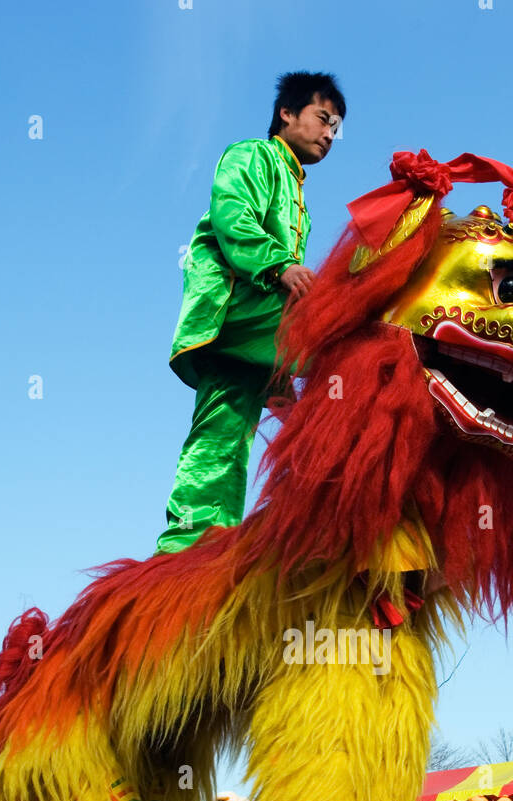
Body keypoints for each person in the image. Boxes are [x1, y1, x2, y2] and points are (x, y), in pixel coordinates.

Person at [157, 71, 347, 553]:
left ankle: (196, 545)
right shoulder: (253, 155)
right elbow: (233, 215)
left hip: (256, 335)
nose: (330, 133)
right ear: (287, 113)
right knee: (348, 336)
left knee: (226, 430)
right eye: (323, 118)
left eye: (337, 127)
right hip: (235, 305)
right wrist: (280, 264)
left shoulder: (299, 191)